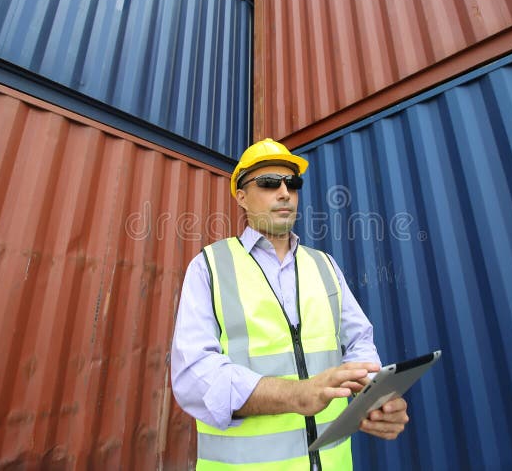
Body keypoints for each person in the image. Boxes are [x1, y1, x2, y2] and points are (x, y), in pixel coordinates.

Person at [171, 138, 409, 470]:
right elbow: (193, 376)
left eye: (292, 183)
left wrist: (377, 397)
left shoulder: (324, 265)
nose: (285, 192)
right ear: (241, 196)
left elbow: (358, 342)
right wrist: (295, 395)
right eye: (269, 183)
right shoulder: (209, 266)